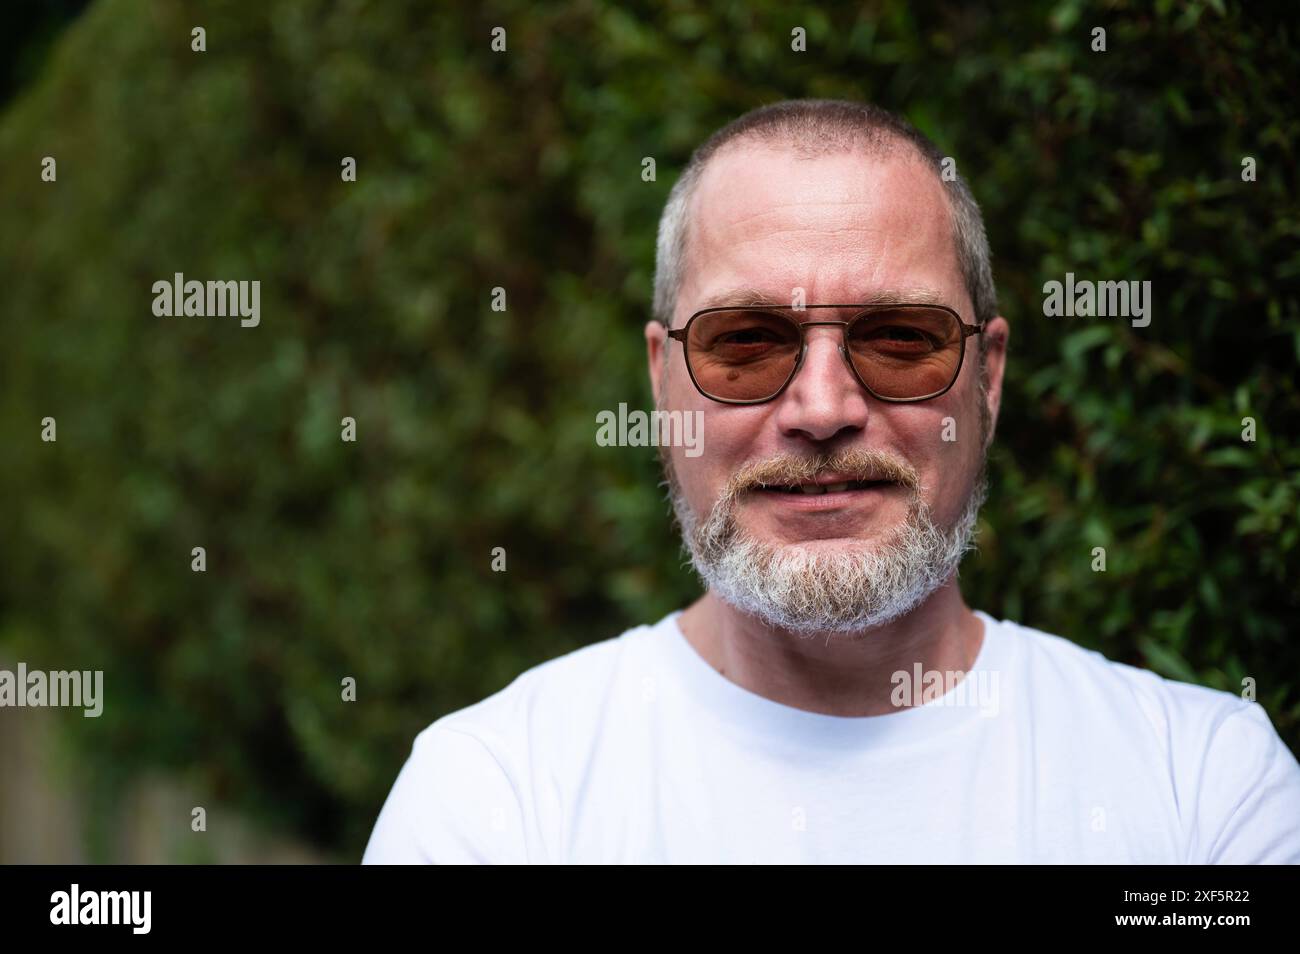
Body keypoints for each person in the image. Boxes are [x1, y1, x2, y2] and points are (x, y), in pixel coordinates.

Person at [362, 99, 1300, 863]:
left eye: (898, 340)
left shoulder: (1204, 790)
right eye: (745, 343)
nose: (820, 407)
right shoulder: (493, 800)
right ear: (661, 381)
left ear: (989, 376)